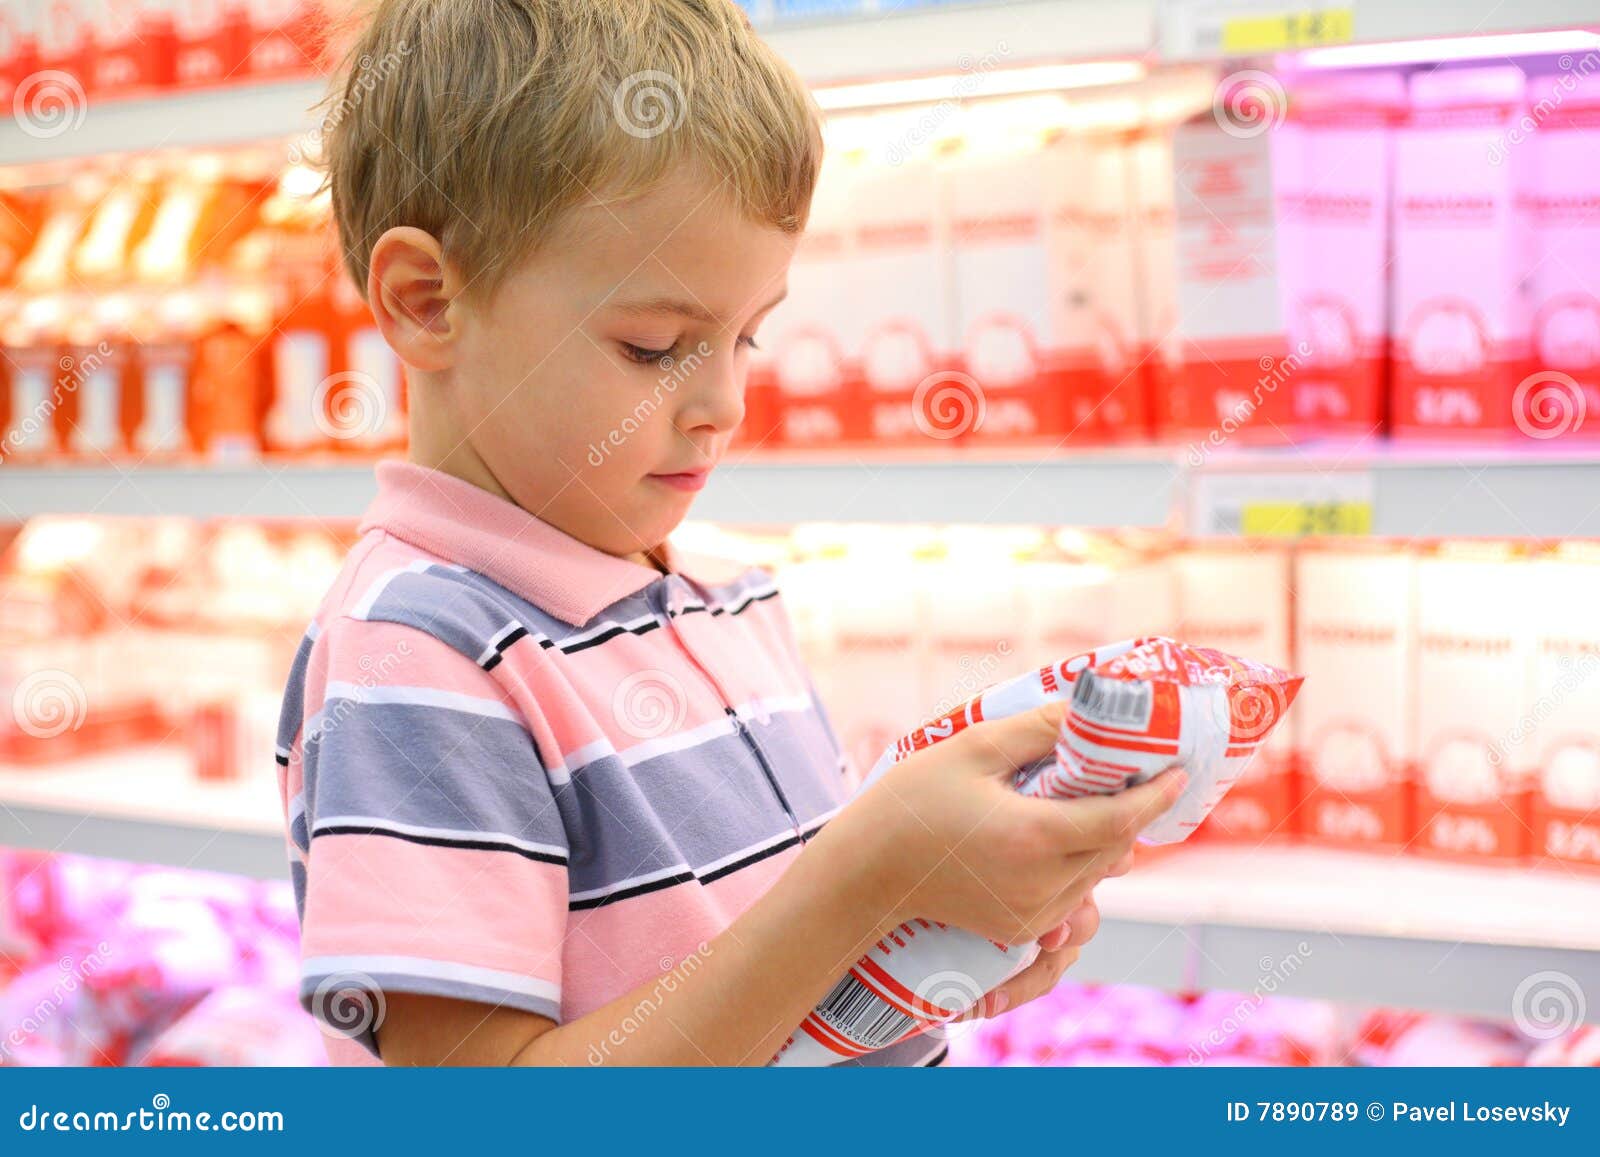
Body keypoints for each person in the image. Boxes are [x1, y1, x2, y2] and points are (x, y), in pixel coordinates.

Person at [273, 0, 1186, 1067]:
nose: (723, 402)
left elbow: (755, 995)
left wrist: (928, 948)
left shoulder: (727, 594)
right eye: (654, 344)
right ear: (426, 301)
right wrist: (866, 878)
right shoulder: (419, 654)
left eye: (747, 335)